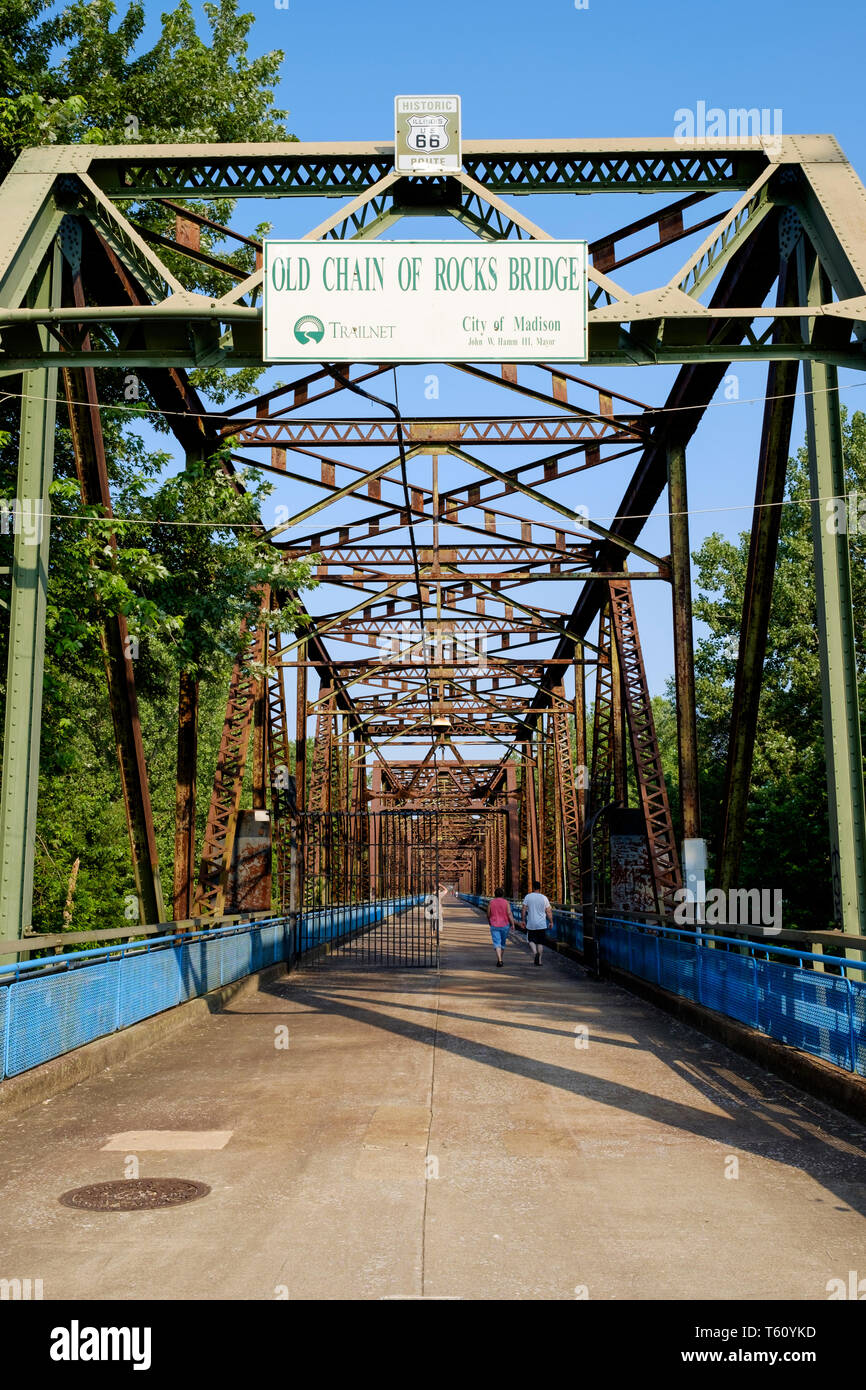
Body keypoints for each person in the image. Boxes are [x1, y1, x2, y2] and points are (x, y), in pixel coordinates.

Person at [522, 881, 552, 966]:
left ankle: (535, 953)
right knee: (540, 943)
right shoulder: (544, 898)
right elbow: (548, 911)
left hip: (531, 923)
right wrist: (551, 921)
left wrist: (523, 920)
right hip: (541, 924)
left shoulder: (528, 896)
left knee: (530, 940)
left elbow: (523, 909)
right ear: (539, 888)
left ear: (533, 887)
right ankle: (539, 961)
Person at [487, 887, 514, 968]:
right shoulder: (506, 902)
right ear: (502, 894)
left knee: (496, 943)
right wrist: (512, 924)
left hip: (494, 925)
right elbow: (509, 913)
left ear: (495, 894)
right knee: (502, 943)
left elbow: (488, 914)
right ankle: (500, 959)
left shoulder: (491, 902)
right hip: (505, 925)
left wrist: (489, 922)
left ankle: (499, 960)